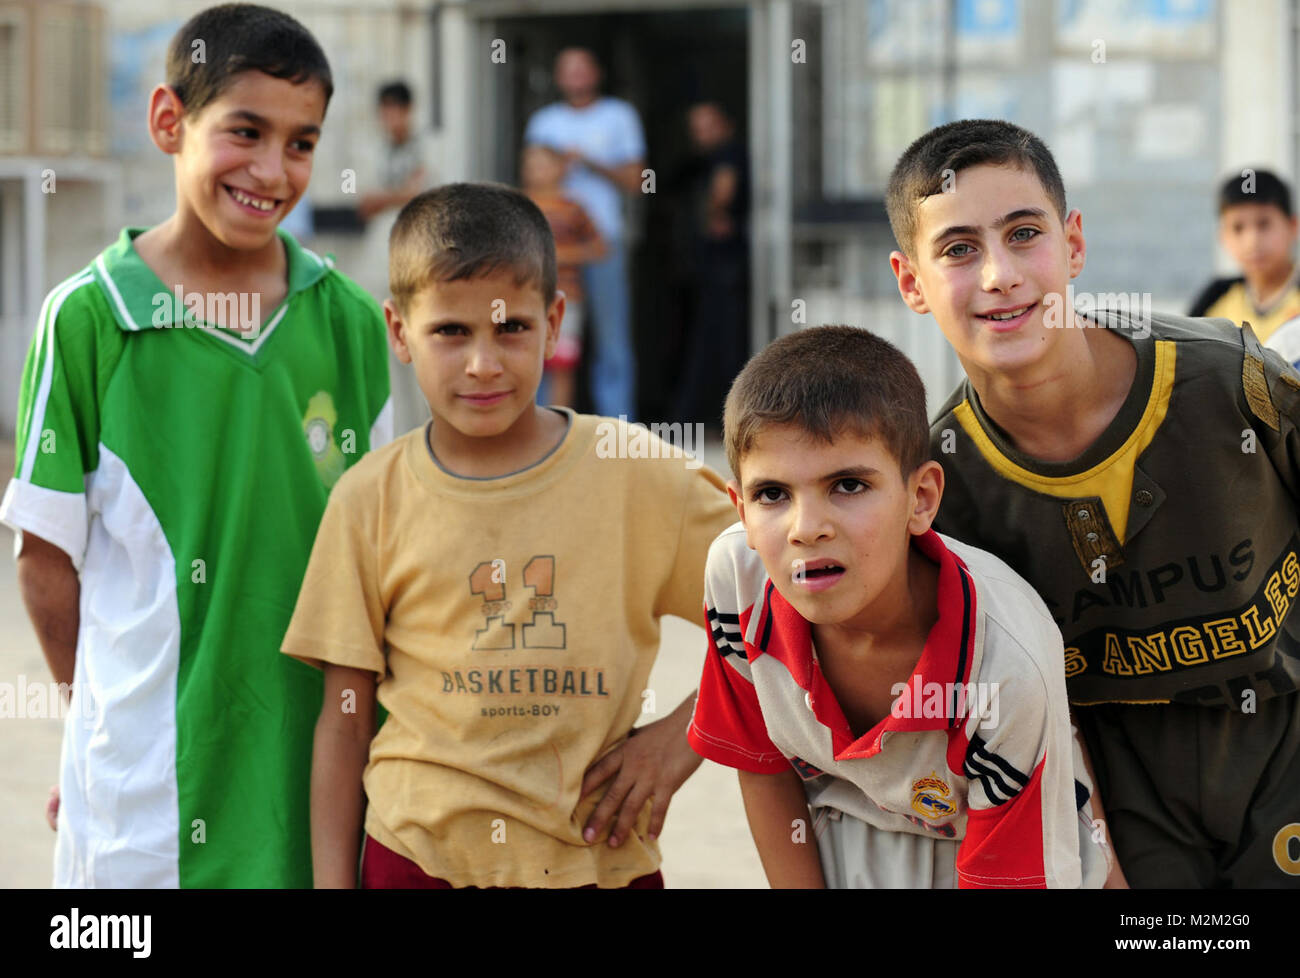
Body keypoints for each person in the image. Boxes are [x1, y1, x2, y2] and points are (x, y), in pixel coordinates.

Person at [1, 3, 392, 887]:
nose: (272, 169)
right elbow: (43, 560)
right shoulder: (89, 317)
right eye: (245, 131)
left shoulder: (350, 322)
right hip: (144, 797)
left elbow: (386, 552)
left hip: (320, 779)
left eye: (302, 143)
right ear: (169, 121)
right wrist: (95, 725)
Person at [280, 182, 736, 888]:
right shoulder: (370, 497)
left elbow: (786, 602)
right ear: (399, 332)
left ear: (555, 323)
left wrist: (687, 736)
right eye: (451, 332)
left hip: (598, 860)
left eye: (512, 329)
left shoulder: (637, 474)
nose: (483, 364)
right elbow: (343, 719)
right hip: (415, 860)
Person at [888, 118, 1300, 887]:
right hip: (1123, 807)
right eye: (958, 249)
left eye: (1023, 233)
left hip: (1283, 754)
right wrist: (1096, 850)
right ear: (911, 281)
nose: (999, 275)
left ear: (1073, 244)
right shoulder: (937, 487)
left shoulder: (1229, 381)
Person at [686, 325, 1108, 889]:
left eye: (849, 485)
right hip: (848, 823)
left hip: (998, 842)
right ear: (740, 509)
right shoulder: (737, 579)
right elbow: (762, 769)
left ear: (922, 499)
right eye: (772, 495)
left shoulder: (1004, 661)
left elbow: (1008, 872)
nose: (807, 529)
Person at [524, 48, 645, 420]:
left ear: (597, 73)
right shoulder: (544, 120)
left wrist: (588, 163)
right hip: (547, 256)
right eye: (567, 70)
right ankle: (542, 425)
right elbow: (531, 170)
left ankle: (619, 430)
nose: (575, 77)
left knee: (612, 341)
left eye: (582, 68)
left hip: (602, 245)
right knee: (549, 343)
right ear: (558, 77)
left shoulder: (619, 115)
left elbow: (639, 180)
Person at [358, 80, 437, 436]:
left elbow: (427, 198)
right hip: (379, 265)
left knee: (424, 350)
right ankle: (398, 436)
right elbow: (364, 203)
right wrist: (401, 193)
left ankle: (431, 433)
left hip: (421, 264)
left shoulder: (430, 147)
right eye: (384, 111)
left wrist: (394, 196)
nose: (391, 118)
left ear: (408, 110)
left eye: (396, 110)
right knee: (387, 351)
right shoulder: (370, 149)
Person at [671, 101, 750, 428]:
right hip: (717, 266)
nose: (703, 134)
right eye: (697, 128)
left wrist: (713, 215)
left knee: (719, 344)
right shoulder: (701, 162)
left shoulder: (727, 155)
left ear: (726, 125)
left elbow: (723, 191)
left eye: (709, 125)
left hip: (724, 265)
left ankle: (720, 421)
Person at [521, 144, 605, 408]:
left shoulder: (573, 208)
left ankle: (559, 425)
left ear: (561, 169)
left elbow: (601, 247)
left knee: (562, 364)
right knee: (524, 363)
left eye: (543, 164)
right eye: (531, 165)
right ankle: (528, 430)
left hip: (567, 299)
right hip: (524, 299)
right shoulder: (518, 205)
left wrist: (563, 255)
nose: (536, 171)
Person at [1188, 168, 1300, 342]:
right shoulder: (1215, 298)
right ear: (1223, 237)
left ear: (1292, 227)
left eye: (1264, 224)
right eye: (1238, 228)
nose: (1252, 241)